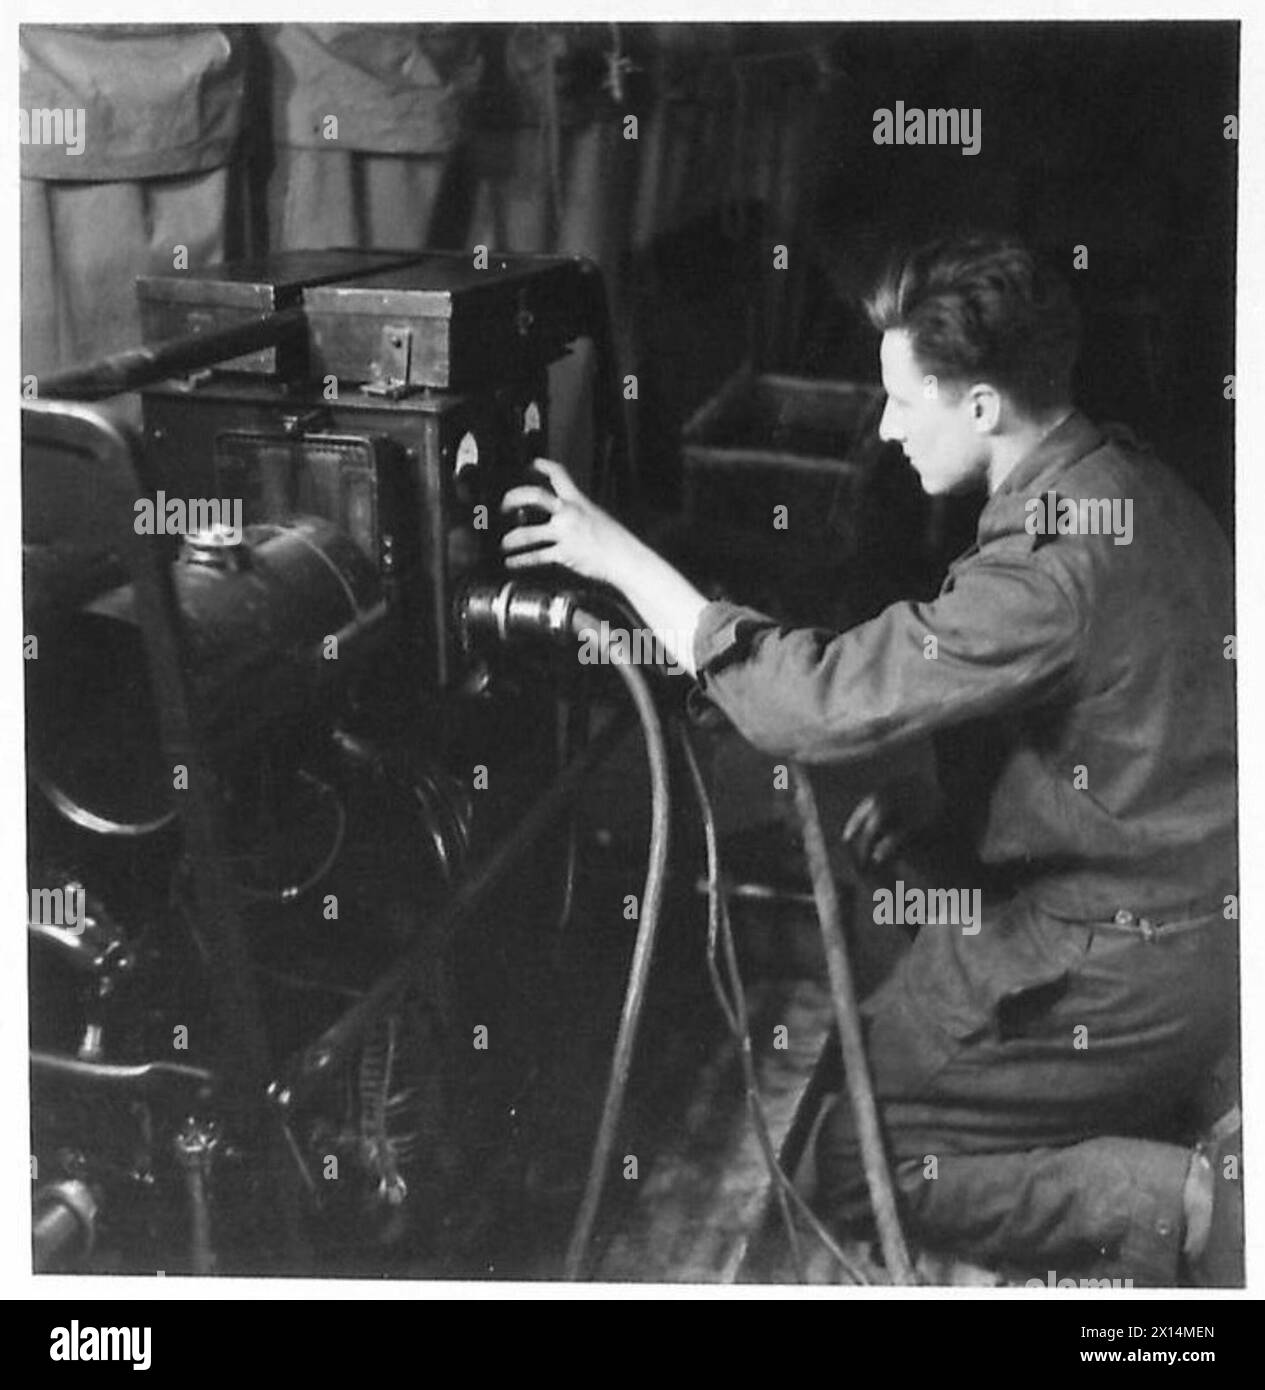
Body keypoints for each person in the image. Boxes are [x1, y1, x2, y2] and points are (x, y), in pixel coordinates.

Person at [498, 234, 1240, 1285]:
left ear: (980, 407)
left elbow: (811, 705)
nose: (885, 430)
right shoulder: (1127, 479)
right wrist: (951, 819)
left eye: (904, 400)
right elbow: (1121, 730)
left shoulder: (1049, 568)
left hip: (1130, 957)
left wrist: (614, 555)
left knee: (852, 1158)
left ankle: (1180, 1201)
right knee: (897, 959)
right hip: (1187, 915)